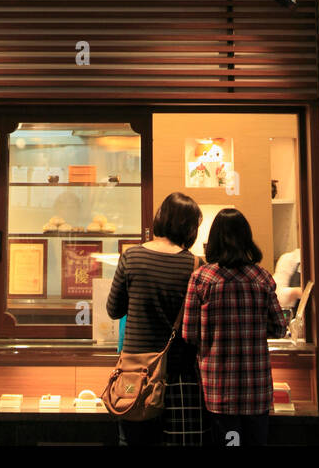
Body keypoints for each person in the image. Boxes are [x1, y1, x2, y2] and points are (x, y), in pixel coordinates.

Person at [106, 191, 206, 446]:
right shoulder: (196, 265)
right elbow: (199, 325)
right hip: (179, 376)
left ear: (161, 218)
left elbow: (114, 310)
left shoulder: (132, 256)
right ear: (190, 227)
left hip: (135, 376)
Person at [182, 207, 286, 447]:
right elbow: (279, 328)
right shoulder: (262, 278)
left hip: (219, 389)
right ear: (246, 238)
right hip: (256, 388)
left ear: (214, 239)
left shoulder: (201, 278)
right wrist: (254, 330)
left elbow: (189, 334)